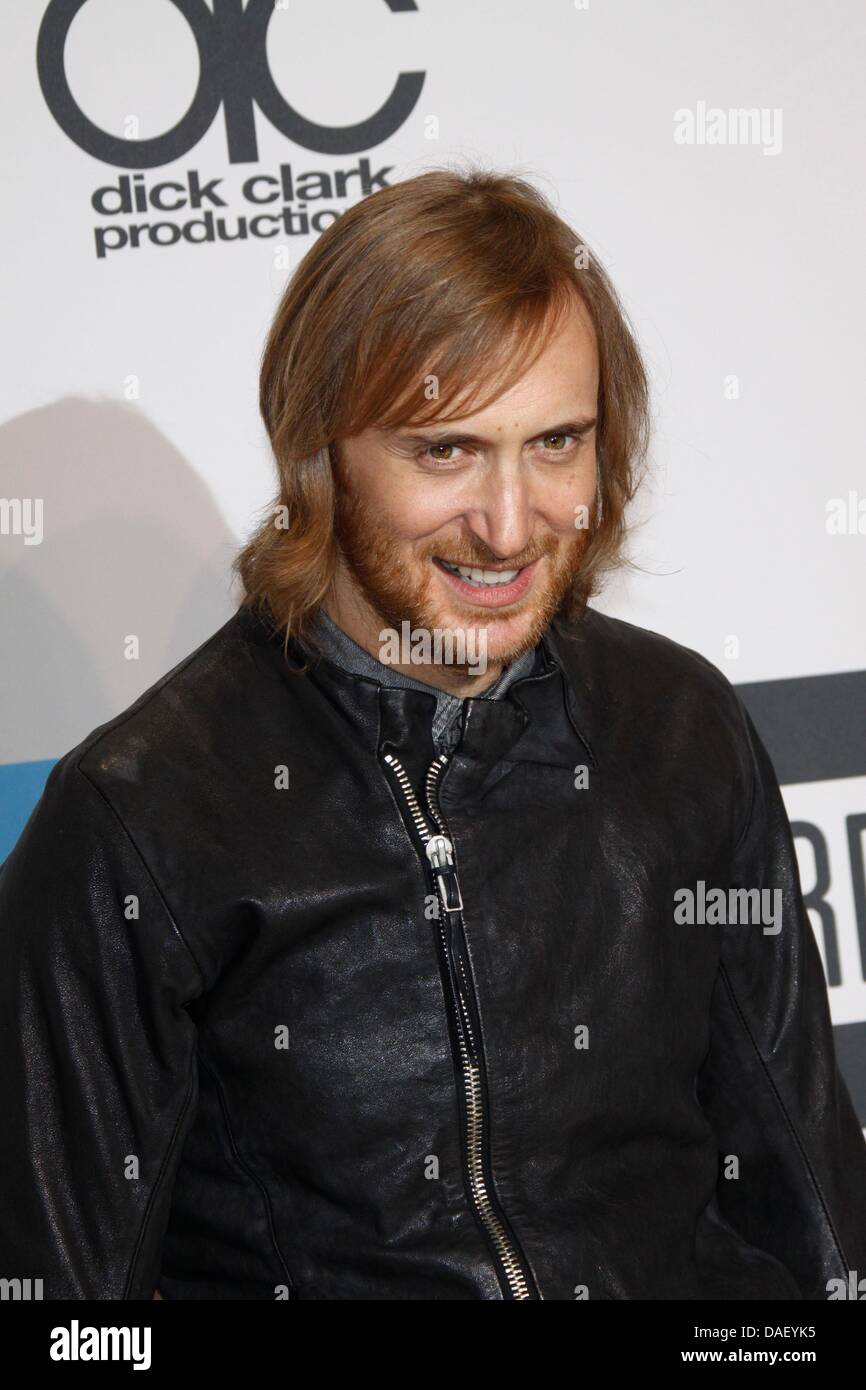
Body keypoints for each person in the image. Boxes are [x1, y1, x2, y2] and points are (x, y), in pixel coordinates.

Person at [1, 168, 864, 1301]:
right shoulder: (138, 818)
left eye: (555, 442)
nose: (510, 524)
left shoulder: (677, 723)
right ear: (316, 451)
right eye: (444, 450)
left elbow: (809, 1202)